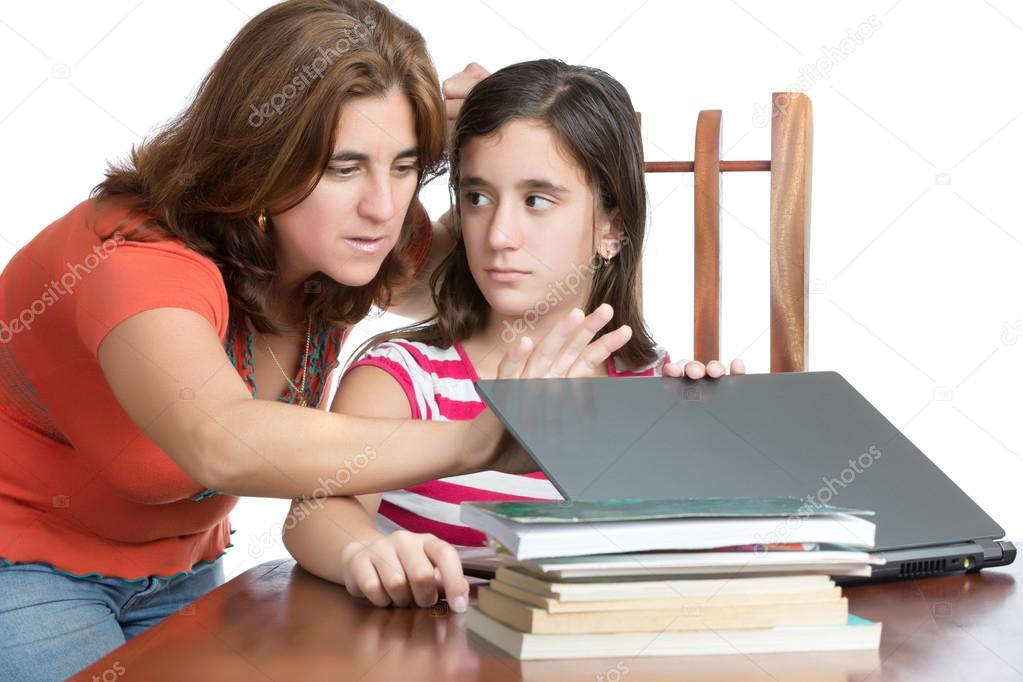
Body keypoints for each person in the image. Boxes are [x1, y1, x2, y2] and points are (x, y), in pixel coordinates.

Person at [0, 2, 627, 678]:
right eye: (342, 166)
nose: (384, 208)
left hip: (184, 570)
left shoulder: (340, 238)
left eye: (404, 165)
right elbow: (219, 439)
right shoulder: (134, 259)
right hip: (24, 569)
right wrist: (478, 439)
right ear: (261, 158)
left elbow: (500, 258)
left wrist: (505, 138)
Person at [283, 59, 745, 615]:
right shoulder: (404, 378)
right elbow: (313, 511)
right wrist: (367, 551)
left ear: (612, 227)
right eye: (477, 197)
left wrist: (723, 458)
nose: (498, 235)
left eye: (537, 200)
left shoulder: (660, 392)